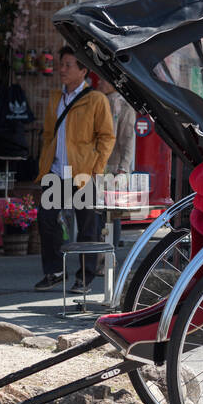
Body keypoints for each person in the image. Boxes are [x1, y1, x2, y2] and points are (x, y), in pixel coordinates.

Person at [34, 47, 114, 293]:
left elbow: (107, 137)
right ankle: (55, 271)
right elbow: (49, 134)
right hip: (56, 171)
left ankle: (85, 277)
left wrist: (95, 169)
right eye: (61, 64)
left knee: (87, 227)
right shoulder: (56, 98)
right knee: (46, 219)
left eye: (69, 65)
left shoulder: (96, 99)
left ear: (83, 70)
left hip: (83, 173)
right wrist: (44, 164)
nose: (62, 69)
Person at [94, 74, 136, 248]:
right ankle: (97, 255)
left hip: (113, 167)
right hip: (96, 165)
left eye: (104, 79)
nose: (100, 82)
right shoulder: (98, 101)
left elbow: (128, 139)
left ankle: (108, 257)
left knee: (111, 214)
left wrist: (123, 169)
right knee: (97, 213)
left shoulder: (123, 105)